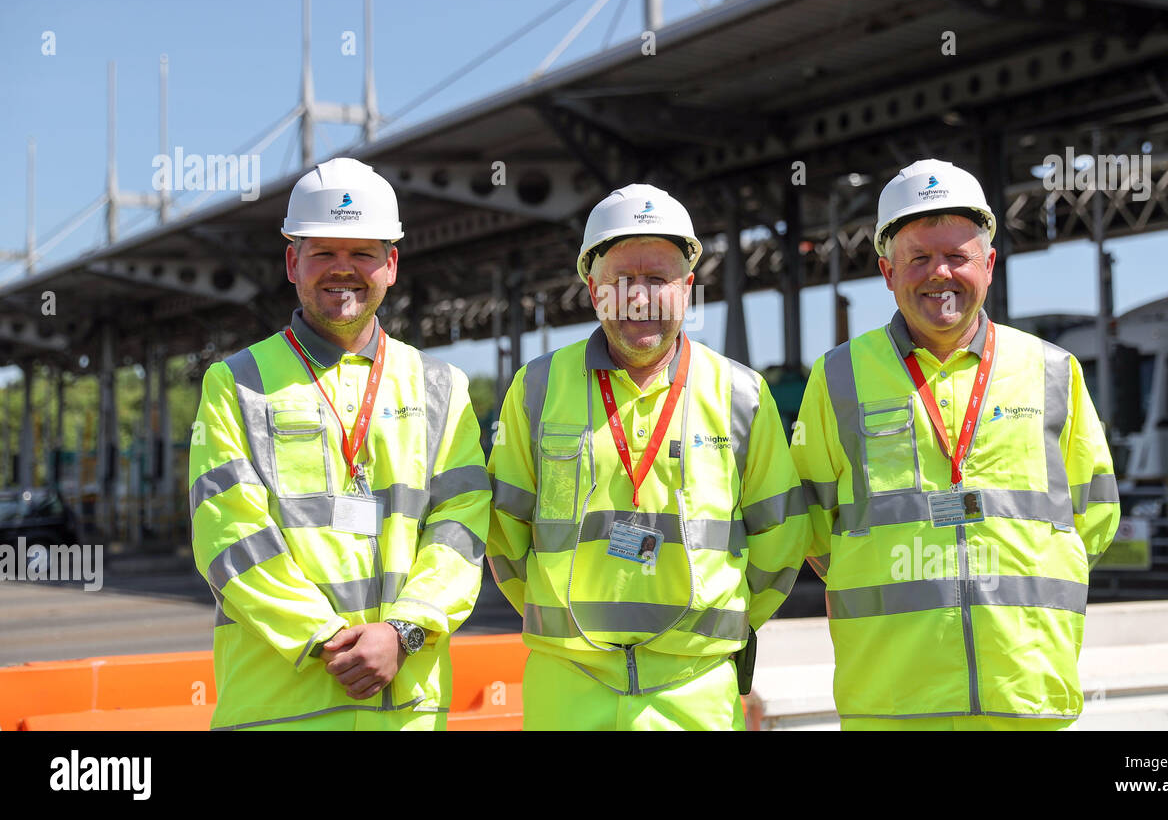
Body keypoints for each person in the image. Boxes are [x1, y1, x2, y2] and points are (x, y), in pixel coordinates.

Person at [793, 159, 1119, 730]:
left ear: (988, 265)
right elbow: (813, 528)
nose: (938, 274)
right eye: (918, 257)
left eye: (957, 256)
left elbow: (1092, 517)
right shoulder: (838, 378)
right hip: (893, 701)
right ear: (887, 271)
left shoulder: (1052, 371)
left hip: (1026, 698)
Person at [487, 184, 809, 730]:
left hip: (695, 688)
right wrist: (565, 623)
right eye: (621, 282)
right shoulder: (537, 389)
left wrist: (705, 628)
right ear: (593, 289)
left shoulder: (741, 395)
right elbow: (504, 531)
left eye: (658, 280)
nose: (640, 298)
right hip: (568, 682)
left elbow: (781, 540)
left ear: (686, 289)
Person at [188, 157, 490, 730]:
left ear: (391, 263)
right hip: (280, 708)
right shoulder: (237, 382)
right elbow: (228, 530)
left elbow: (463, 523)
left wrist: (402, 633)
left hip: (405, 708)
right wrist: (333, 642)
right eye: (324, 252)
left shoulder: (440, 387)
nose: (342, 270)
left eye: (362, 254)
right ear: (291, 262)